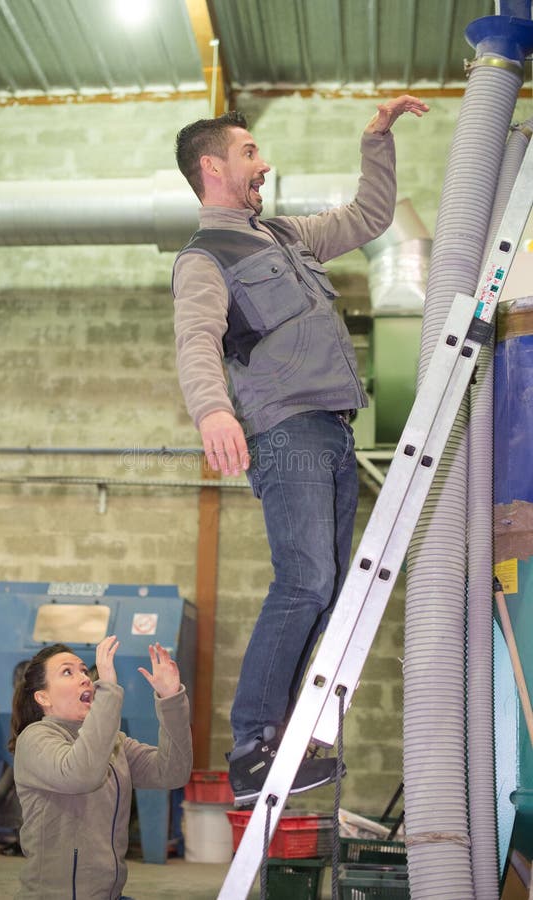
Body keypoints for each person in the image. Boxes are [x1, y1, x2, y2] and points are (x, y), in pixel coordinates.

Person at [172, 96, 429, 805]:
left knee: (327, 590)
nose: (265, 164)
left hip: (332, 430)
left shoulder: (283, 235)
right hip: (285, 430)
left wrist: (375, 141)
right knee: (305, 580)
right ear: (213, 167)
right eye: (251, 153)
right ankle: (254, 744)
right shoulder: (205, 259)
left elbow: (370, 219)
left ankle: (278, 734)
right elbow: (196, 340)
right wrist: (213, 411)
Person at [9, 636, 192, 899]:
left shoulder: (113, 743)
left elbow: (173, 771)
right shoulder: (35, 739)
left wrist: (170, 699)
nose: (85, 677)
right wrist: (108, 689)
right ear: (43, 697)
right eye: (67, 672)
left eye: (84, 670)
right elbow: (81, 773)